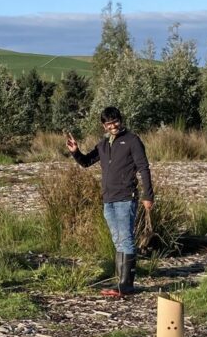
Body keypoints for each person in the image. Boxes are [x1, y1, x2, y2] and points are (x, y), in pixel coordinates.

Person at [66, 106, 154, 297]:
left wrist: (148, 195)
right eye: (109, 123)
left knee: (126, 239)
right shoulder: (103, 144)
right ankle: (121, 284)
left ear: (120, 121)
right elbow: (86, 162)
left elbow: (144, 168)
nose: (113, 126)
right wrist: (75, 151)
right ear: (103, 125)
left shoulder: (132, 140)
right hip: (108, 199)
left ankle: (126, 286)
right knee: (117, 240)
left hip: (125, 197)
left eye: (115, 122)